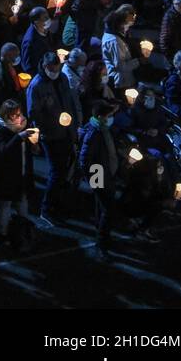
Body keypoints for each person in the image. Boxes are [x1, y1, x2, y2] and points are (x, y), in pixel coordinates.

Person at [27, 50, 78, 226]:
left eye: (57, 68)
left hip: (67, 132)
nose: (55, 72)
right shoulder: (37, 85)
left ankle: (59, 203)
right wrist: (47, 128)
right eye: (52, 69)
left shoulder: (62, 79)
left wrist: (73, 125)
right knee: (57, 171)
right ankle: (46, 208)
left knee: (65, 169)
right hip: (51, 135)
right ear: (45, 66)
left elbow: (70, 102)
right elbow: (34, 113)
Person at [78, 100, 120, 261]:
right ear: (101, 116)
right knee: (108, 209)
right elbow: (85, 160)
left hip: (105, 173)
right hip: (100, 175)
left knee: (101, 206)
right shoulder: (94, 133)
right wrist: (96, 179)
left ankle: (100, 233)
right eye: (109, 115)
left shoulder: (102, 129)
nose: (111, 118)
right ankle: (102, 244)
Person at [0, 99, 36, 246]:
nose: (19, 117)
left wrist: (34, 146)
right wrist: (19, 137)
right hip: (7, 176)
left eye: (19, 113)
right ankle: (3, 234)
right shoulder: (0, 129)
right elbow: (4, 150)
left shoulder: (23, 125)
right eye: (14, 115)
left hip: (22, 173)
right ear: (6, 116)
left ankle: (24, 231)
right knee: (5, 205)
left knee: (23, 203)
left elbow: (26, 149)